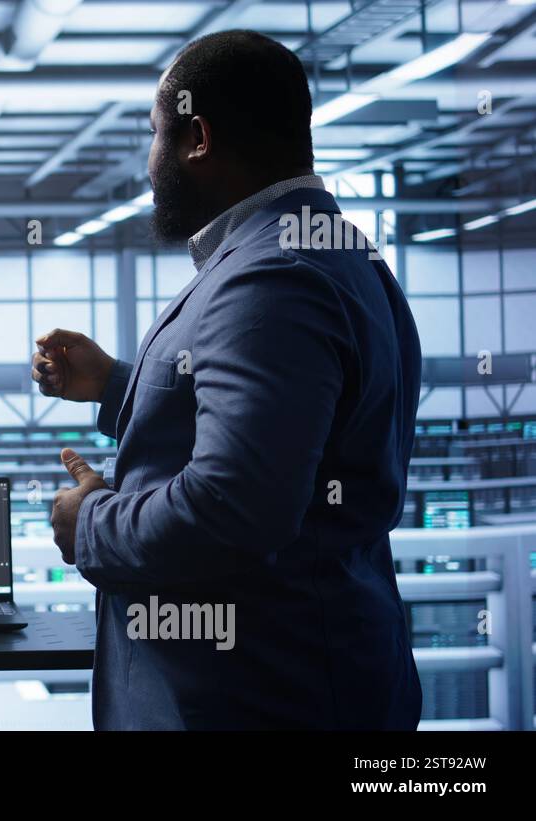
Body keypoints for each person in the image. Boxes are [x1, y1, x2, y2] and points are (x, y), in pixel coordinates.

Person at [32, 30, 423, 729]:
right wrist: (119, 384)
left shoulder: (271, 278)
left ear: (198, 138)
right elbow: (295, 434)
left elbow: (234, 506)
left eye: (155, 136)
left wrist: (89, 521)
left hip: (256, 697)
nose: (148, 164)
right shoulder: (334, 255)